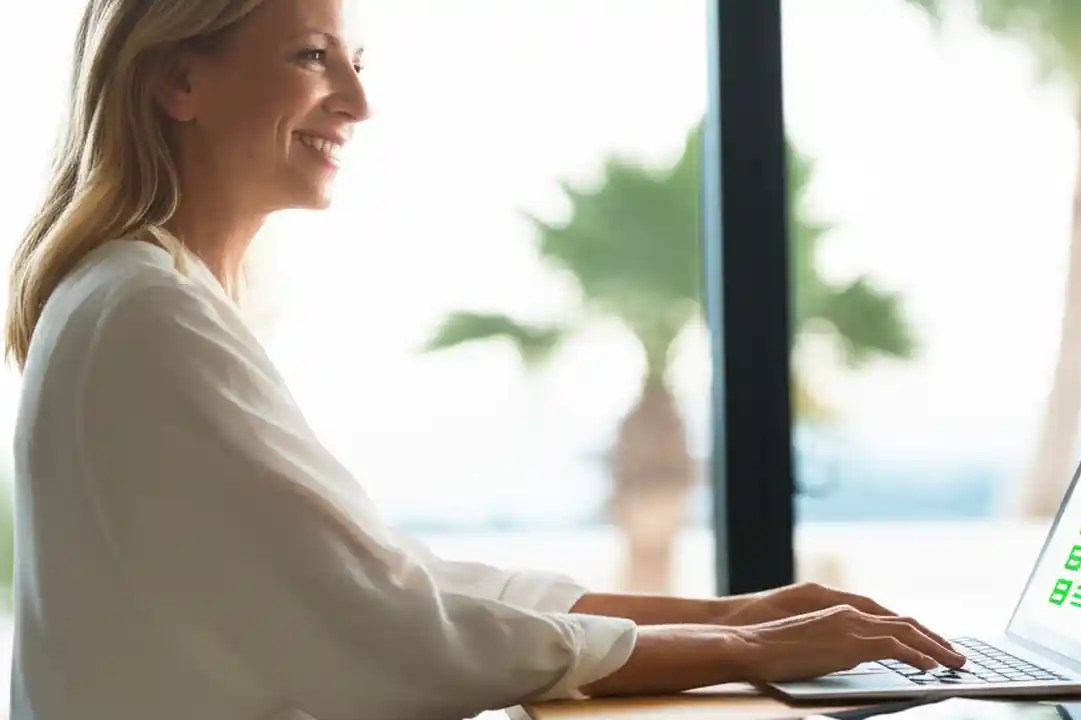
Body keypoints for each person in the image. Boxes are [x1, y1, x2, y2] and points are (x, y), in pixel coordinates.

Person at [4, 0, 965, 718]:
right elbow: (396, 630)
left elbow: (389, 580)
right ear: (178, 80)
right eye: (311, 57)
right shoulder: (146, 313)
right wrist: (742, 646)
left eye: (356, 60)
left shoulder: (139, 294)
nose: (358, 100)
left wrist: (741, 612)